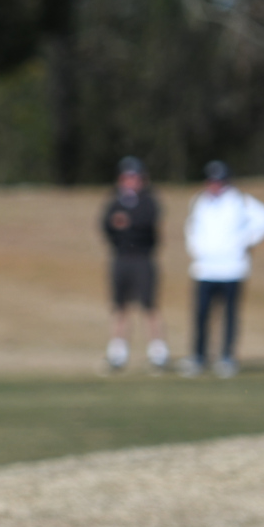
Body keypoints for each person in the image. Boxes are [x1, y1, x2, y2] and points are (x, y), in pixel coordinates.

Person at [181, 160, 264, 378]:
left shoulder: (240, 201)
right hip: (204, 268)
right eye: (212, 180)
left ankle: (227, 357)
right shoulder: (200, 201)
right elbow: (192, 228)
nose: (214, 185)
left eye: (219, 181)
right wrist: (195, 247)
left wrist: (245, 240)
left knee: (230, 316)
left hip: (232, 268)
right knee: (202, 315)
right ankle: (198, 356)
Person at [99, 156, 168, 373]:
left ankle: (158, 353)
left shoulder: (148, 200)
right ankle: (117, 353)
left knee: (149, 305)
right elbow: (106, 224)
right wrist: (121, 224)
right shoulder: (115, 200)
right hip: (121, 258)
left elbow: (147, 221)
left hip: (142, 258)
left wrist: (128, 222)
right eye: (127, 177)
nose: (131, 181)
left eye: (135, 177)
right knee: (120, 307)